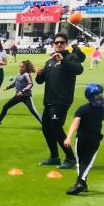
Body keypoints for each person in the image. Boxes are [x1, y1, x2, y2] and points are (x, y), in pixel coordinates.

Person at [35, 32, 85, 168]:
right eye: (56, 42)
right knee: (46, 129)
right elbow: (40, 81)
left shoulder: (71, 57)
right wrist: (39, 74)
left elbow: (79, 70)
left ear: (66, 44)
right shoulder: (50, 61)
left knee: (56, 127)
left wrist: (63, 60)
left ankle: (70, 158)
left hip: (62, 100)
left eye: (61, 42)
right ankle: (54, 157)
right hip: (49, 100)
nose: (58, 44)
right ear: (53, 44)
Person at [64, 83, 104, 196]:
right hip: (95, 138)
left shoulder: (82, 109)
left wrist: (69, 137)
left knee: (81, 161)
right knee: (87, 162)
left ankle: (81, 183)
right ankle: (81, 183)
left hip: (81, 138)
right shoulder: (102, 110)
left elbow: (76, 123)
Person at [0, 60, 41, 127]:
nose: (20, 68)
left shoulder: (26, 74)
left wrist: (22, 91)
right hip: (18, 96)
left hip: (26, 97)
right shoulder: (19, 74)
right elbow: (15, 83)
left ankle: (45, 124)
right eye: (20, 66)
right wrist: (7, 87)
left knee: (33, 111)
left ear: (26, 68)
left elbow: (30, 84)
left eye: (22, 67)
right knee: (5, 106)